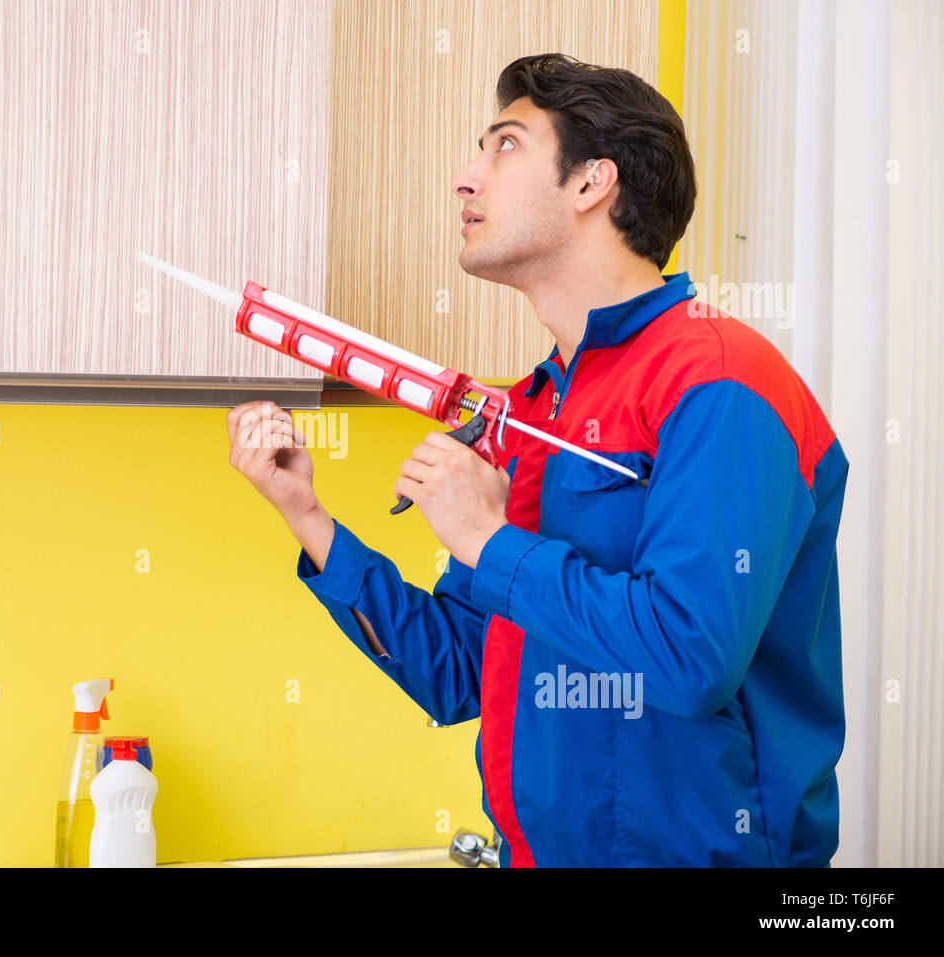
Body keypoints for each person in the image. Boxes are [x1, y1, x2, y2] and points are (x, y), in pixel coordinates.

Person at [225, 53, 847, 867]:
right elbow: (462, 671)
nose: (465, 178)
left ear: (592, 183)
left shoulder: (719, 383)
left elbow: (690, 656)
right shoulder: (530, 412)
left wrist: (488, 541)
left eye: (504, 146)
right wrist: (306, 515)